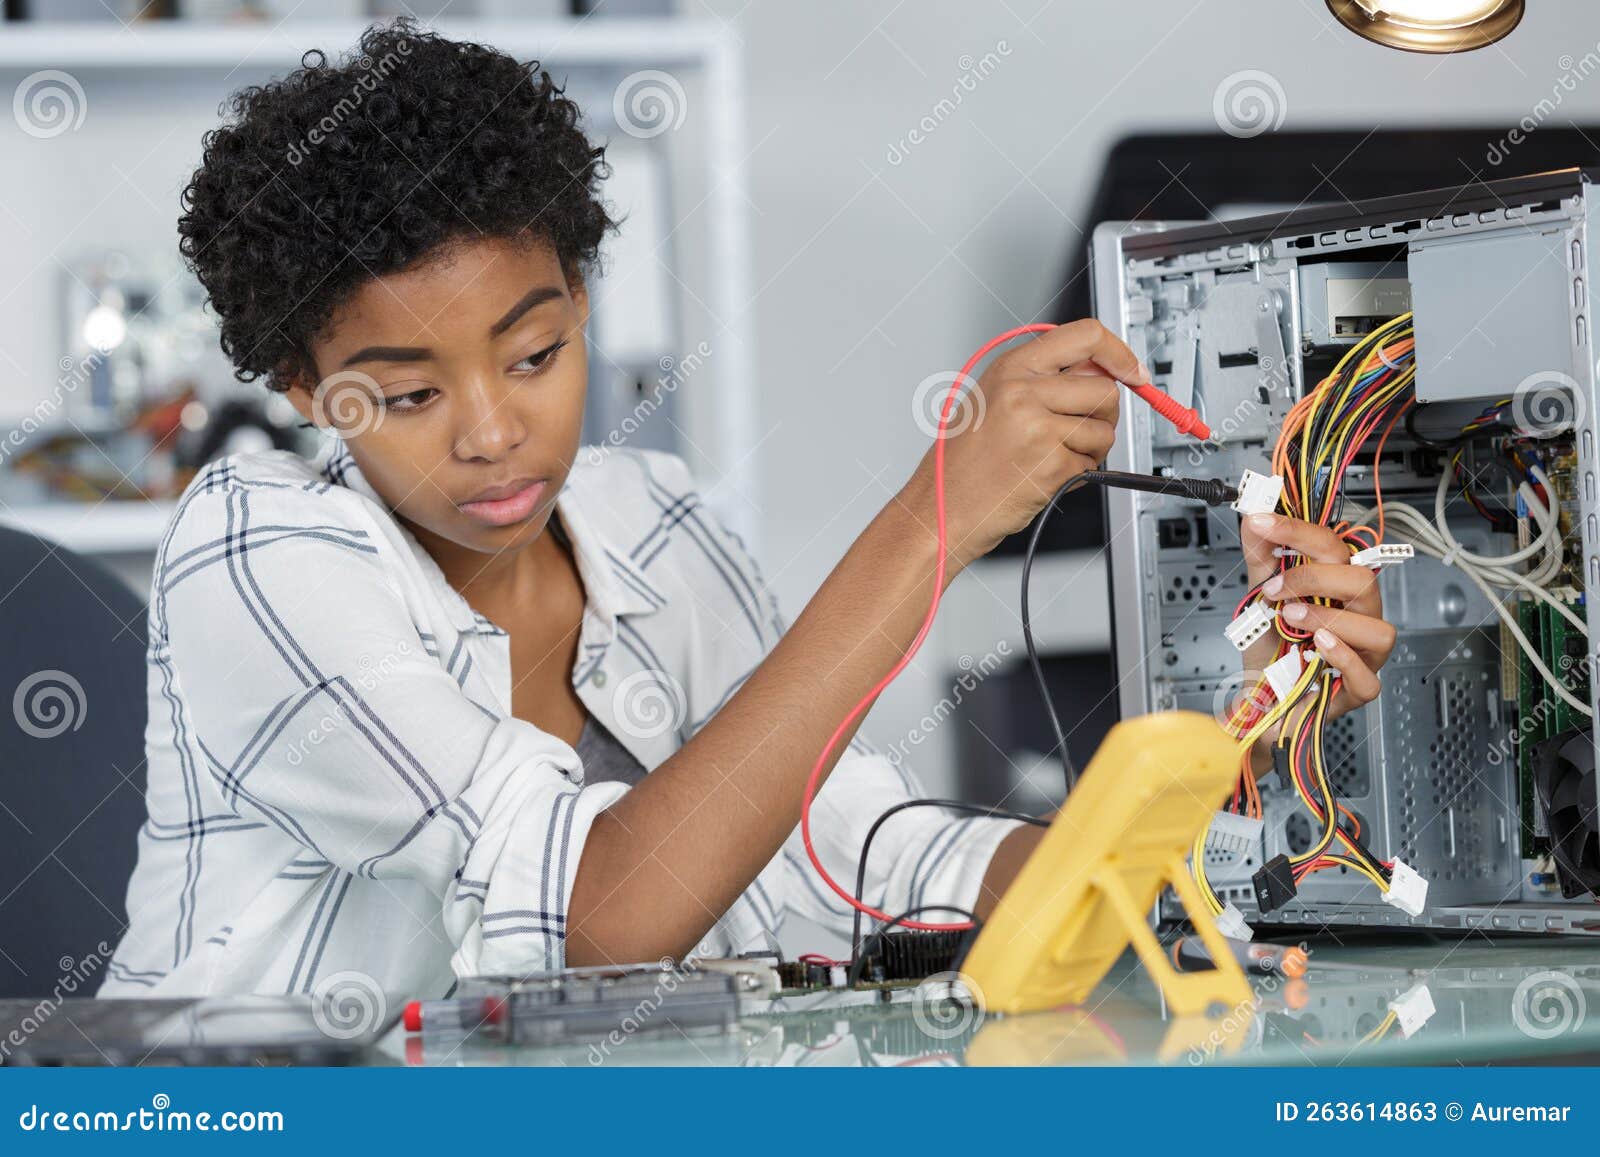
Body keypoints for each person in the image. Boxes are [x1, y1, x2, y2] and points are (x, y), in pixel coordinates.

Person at [99, 22, 1395, 998]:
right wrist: (934, 516)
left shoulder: (646, 519)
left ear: (584, 308)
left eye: (536, 354)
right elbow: (599, 914)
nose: (493, 428)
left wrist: (1223, 791)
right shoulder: (255, 547)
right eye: (407, 391)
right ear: (305, 389)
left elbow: (846, 849)